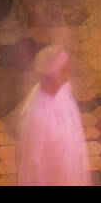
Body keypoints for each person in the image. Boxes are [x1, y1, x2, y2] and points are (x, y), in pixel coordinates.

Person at [17, 46, 90, 185]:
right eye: (63, 72)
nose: (67, 77)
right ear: (50, 78)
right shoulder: (35, 116)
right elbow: (32, 165)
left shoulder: (63, 89)